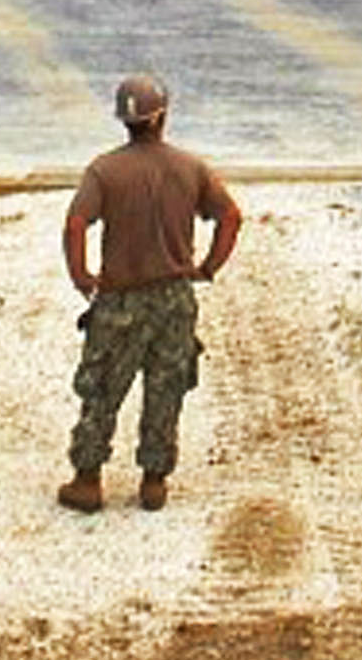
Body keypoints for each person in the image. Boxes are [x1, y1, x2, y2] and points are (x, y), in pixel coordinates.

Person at [57, 70, 239, 513]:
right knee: (166, 388)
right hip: (174, 298)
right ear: (163, 117)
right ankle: (154, 481)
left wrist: (82, 276)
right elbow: (230, 217)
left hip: (120, 297)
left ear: (124, 121)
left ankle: (87, 478)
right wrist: (208, 267)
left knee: (101, 389)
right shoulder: (191, 168)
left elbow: (76, 224)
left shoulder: (103, 171)